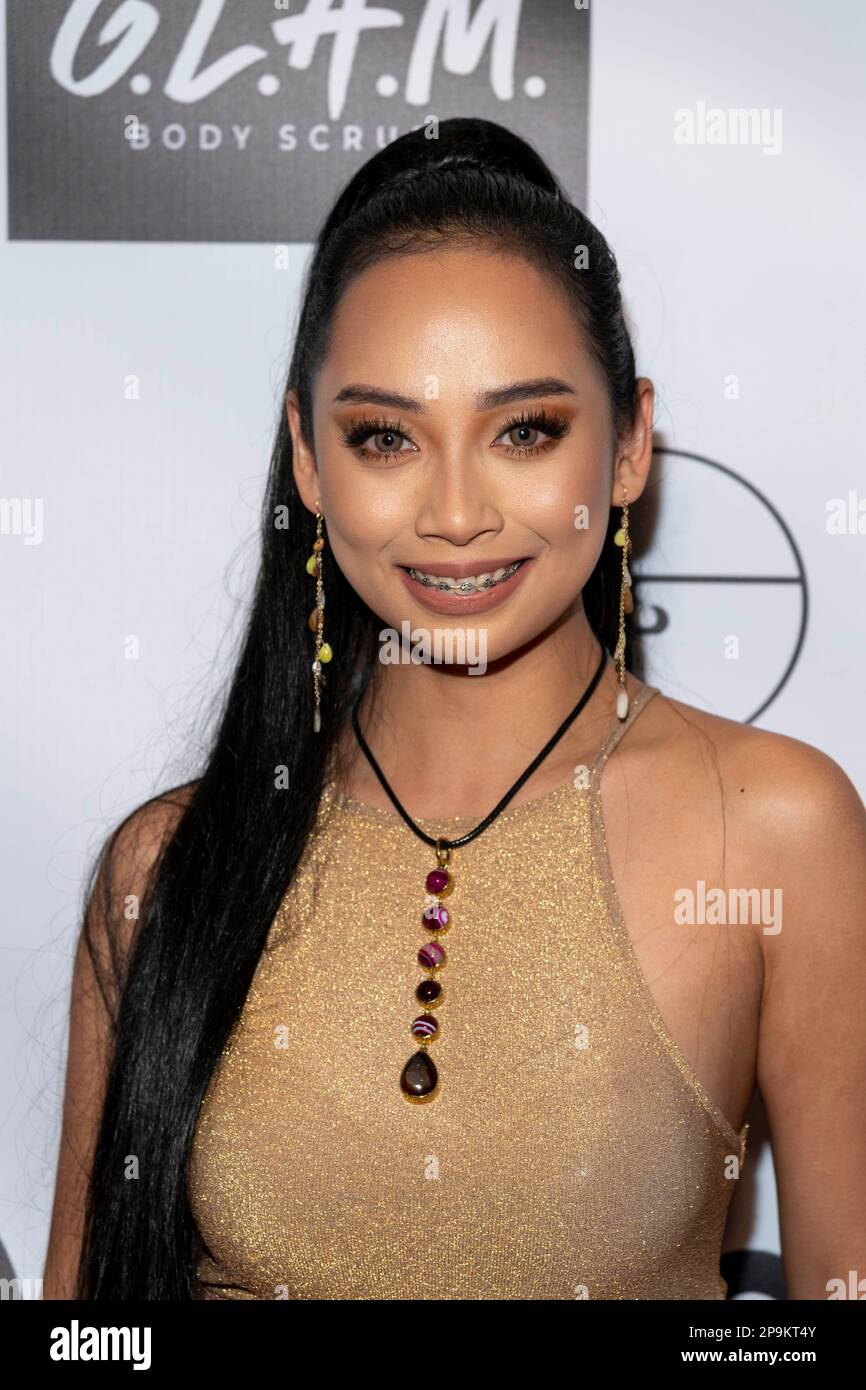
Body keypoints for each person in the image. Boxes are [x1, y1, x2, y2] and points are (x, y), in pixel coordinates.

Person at [43, 117, 866, 1301]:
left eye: (523, 430)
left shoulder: (776, 829)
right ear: (310, 461)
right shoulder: (168, 865)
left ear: (630, 442)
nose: (455, 512)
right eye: (385, 437)